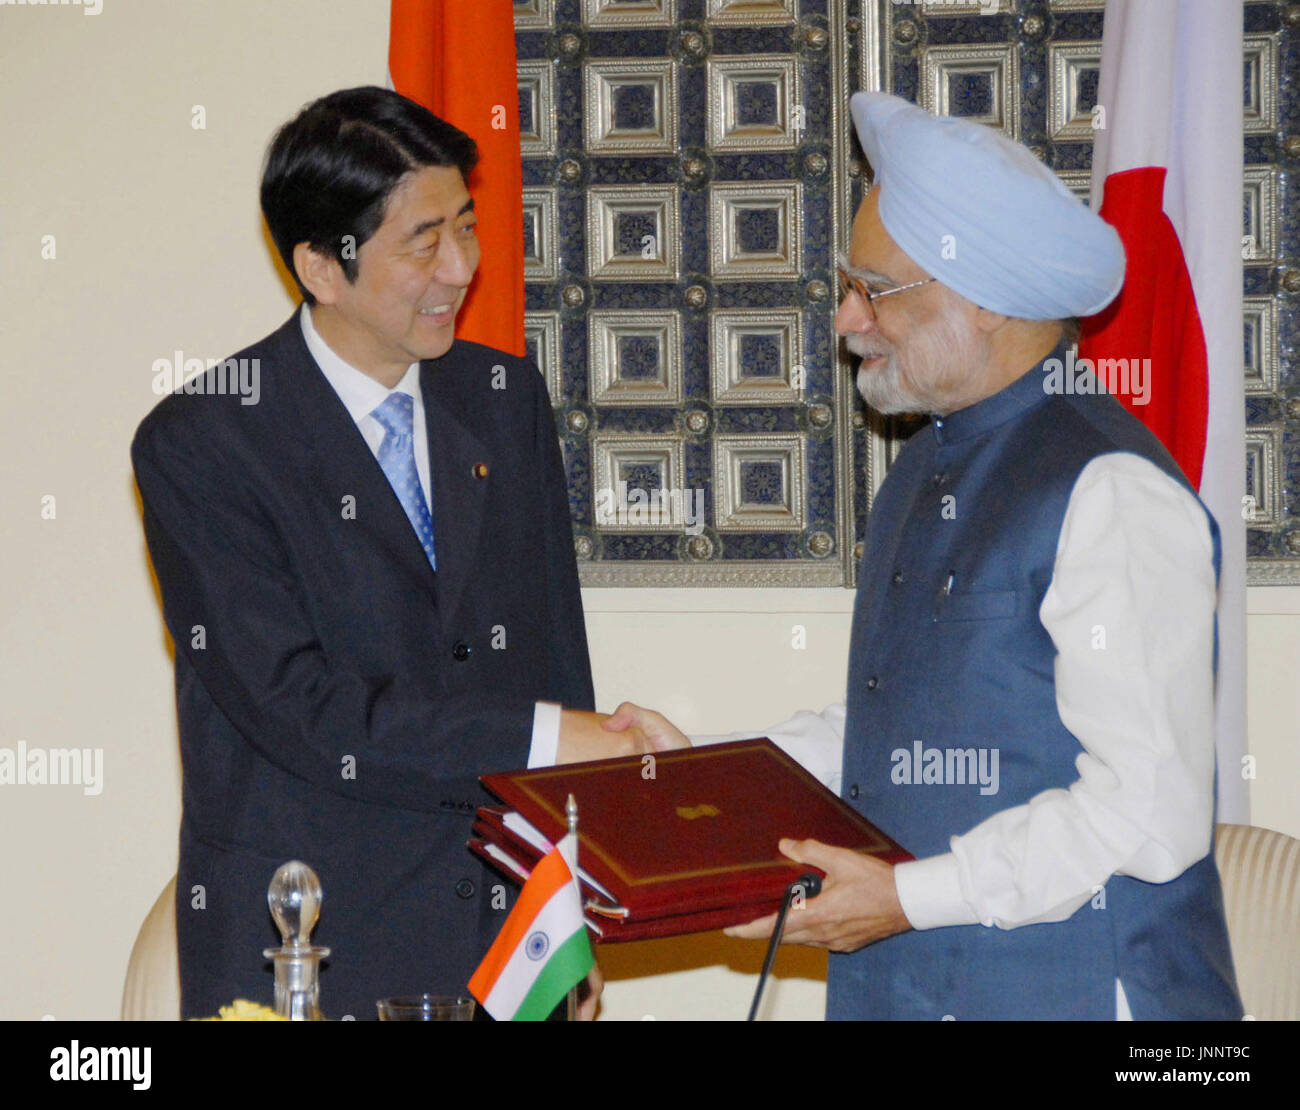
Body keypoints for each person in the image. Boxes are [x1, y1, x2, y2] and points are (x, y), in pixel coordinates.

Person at [605, 91, 1243, 1020]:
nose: (847, 321)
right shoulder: (925, 466)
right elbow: (900, 737)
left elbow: (1147, 814)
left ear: (981, 298)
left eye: (877, 289)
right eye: (848, 284)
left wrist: (904, 900)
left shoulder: (1112, 492)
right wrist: (706, 776)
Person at [132, 86, 654, 1020]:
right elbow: (302, 710)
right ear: (321, 268)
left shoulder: (502, 398)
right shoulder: (203, 441)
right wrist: (541, 736)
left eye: (466, 226)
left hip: (502, 948)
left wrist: (564, 917)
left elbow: (551, 655)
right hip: (309, 946)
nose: (461, 267)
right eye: (422, 242)